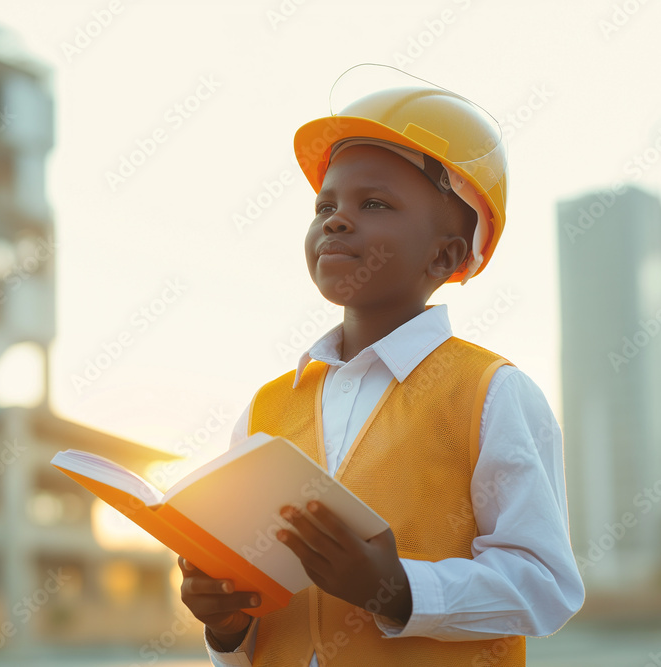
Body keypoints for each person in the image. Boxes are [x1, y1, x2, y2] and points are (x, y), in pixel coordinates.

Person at [178, 66, 584, 666]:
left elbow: (545, 585)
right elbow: (260, 631)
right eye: (325, 204)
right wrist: (228, 627)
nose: (335, 220)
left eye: (374, 203)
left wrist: (396, 590)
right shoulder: (265, 410)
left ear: (445, 253)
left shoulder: (491, 394)